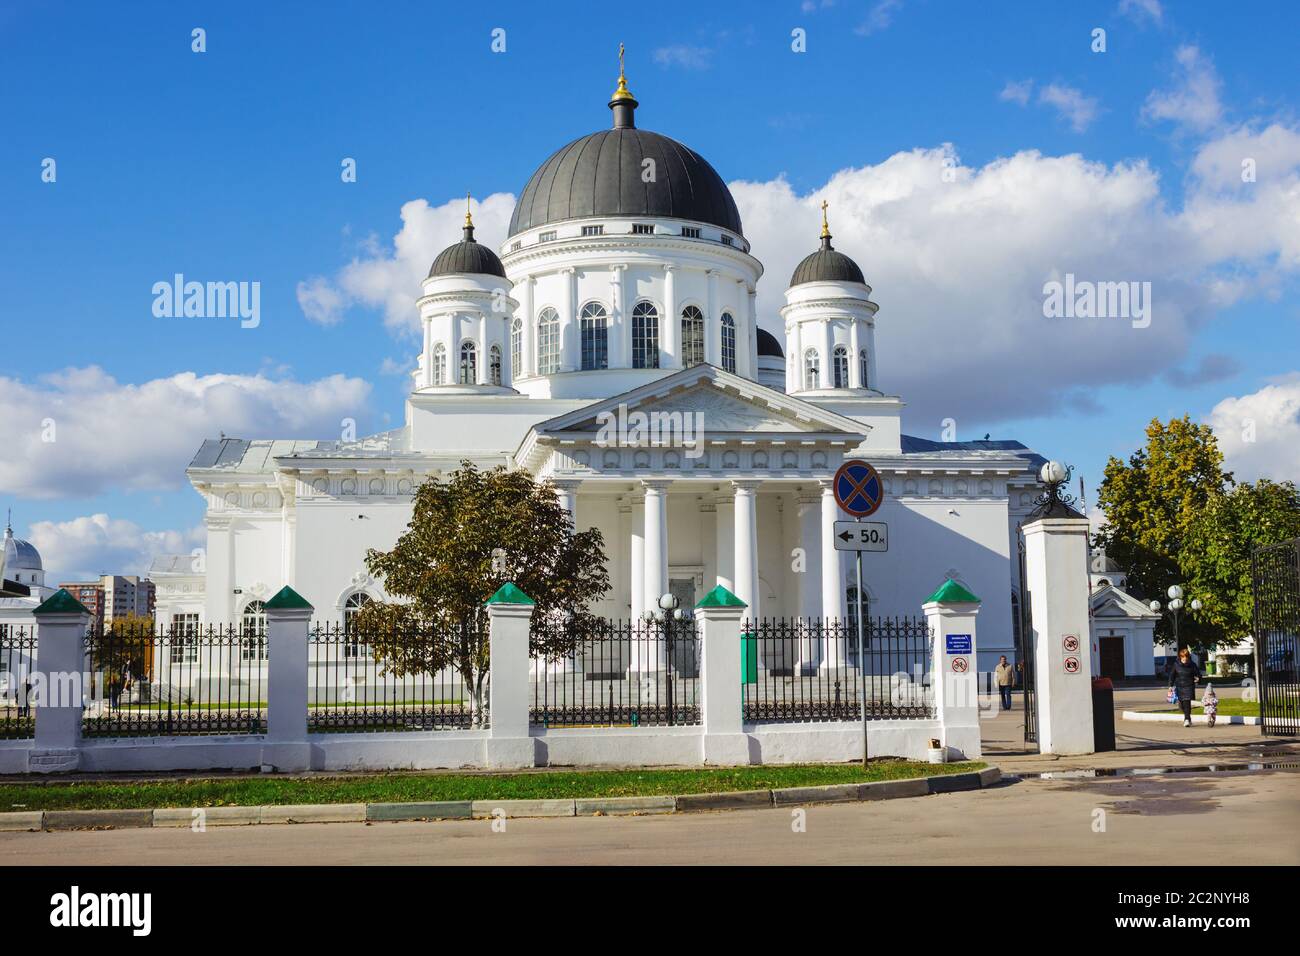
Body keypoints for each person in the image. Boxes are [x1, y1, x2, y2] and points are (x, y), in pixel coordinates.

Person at [1167, 647, 1201, 727]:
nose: (1185, 658)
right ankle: (1188, 718)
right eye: (1183, 657)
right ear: (1180, 657)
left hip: (1189, 686)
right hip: (1179, 686)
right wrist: (1170, 685)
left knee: (1187, 703)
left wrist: (1198, 679)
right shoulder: (1176, 664)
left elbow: (1198, 674)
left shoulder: (1192, 665)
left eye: (1186, 656)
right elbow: (1172, 675)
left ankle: (1187, 719)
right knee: (1181, 706)